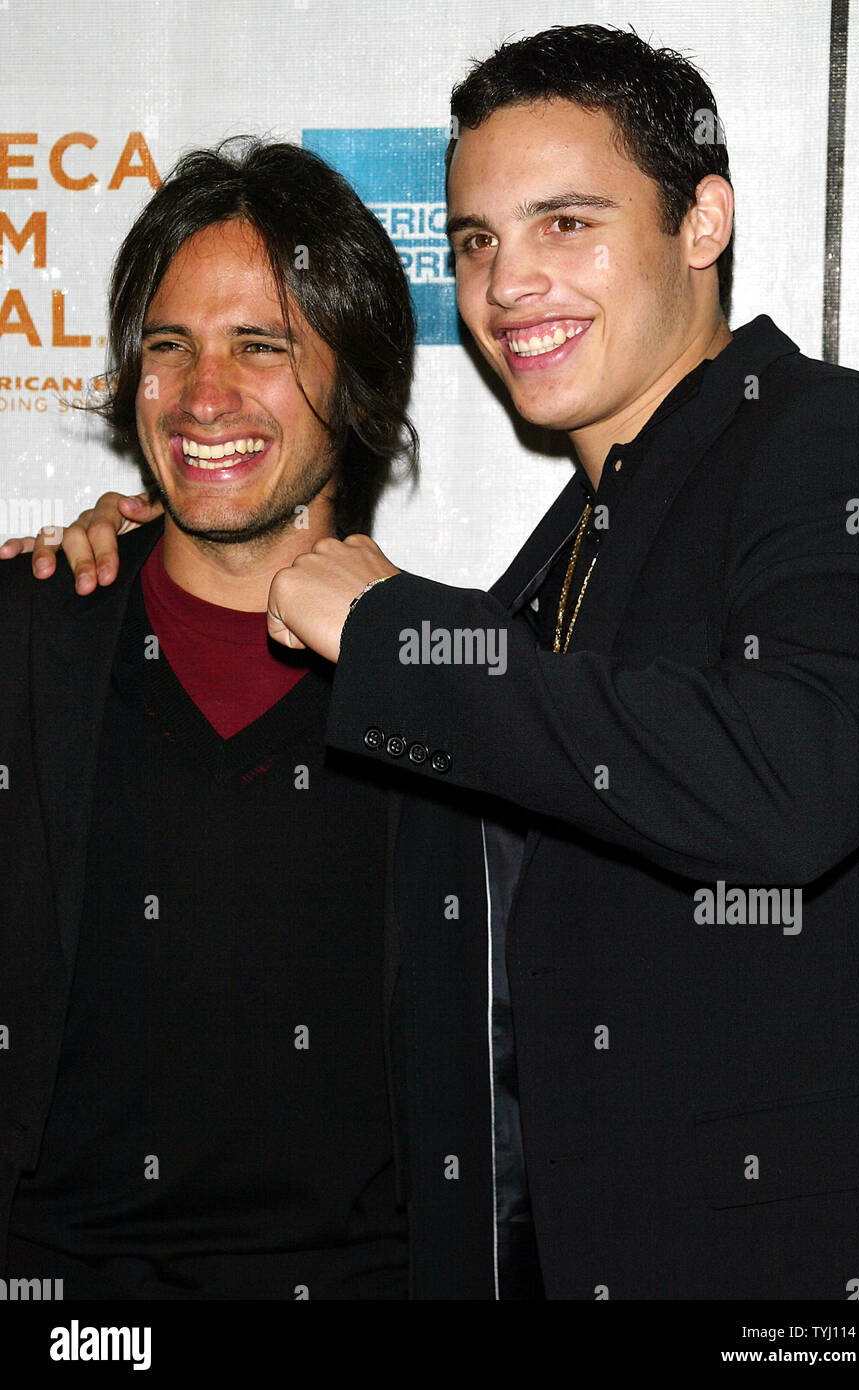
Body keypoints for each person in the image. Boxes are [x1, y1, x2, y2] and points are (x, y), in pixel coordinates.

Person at [9, 24, 859, 1300]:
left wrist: (391, 636)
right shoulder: (558, 559)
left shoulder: (831, 439)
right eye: (478, 239)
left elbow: (798, 776)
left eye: (566, 223)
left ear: (702, 220)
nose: (509, 281)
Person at [0, 135, 495, 1301]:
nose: (203, 395)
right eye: (169, 346)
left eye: (260, 346)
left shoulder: (465, 680)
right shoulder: (26, 636)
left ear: (357, 382)